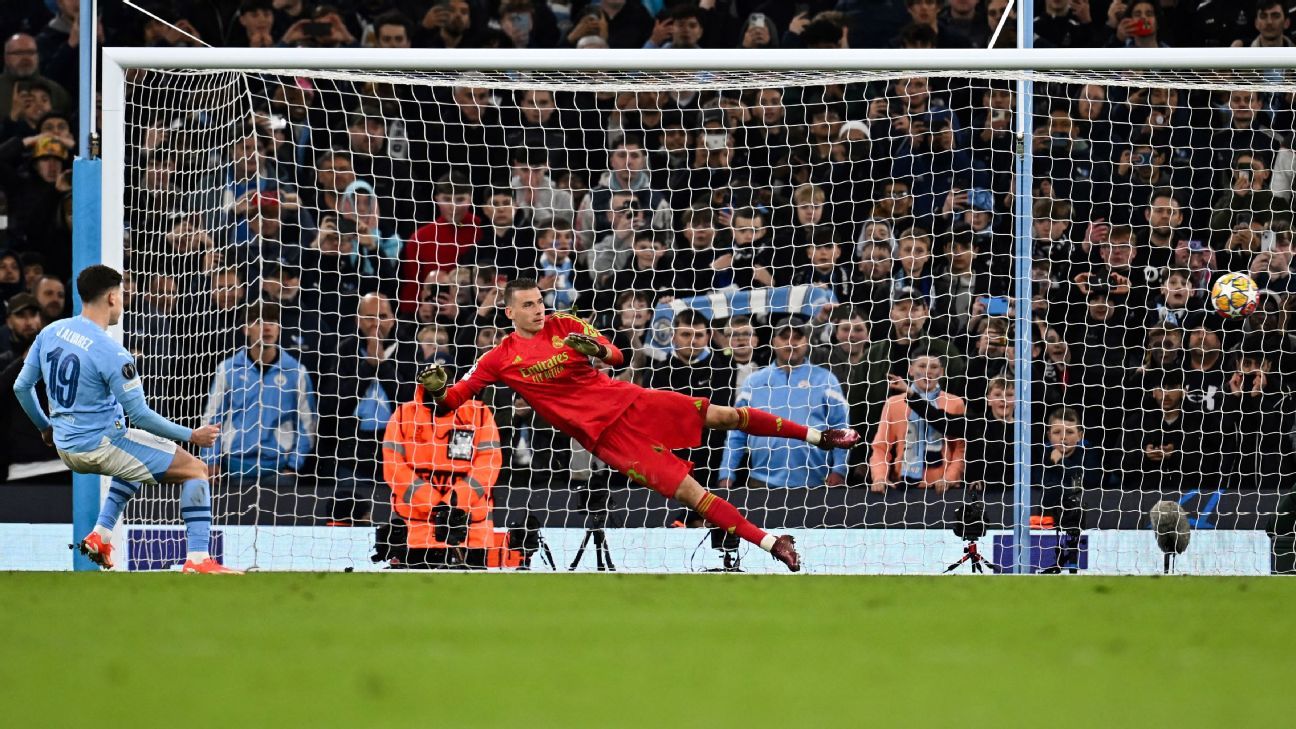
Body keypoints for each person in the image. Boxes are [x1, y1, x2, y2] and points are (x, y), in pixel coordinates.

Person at [420, 279, 863, 572]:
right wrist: (437, 390)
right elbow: (453, 401)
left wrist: (591, 347)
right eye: (529, 304)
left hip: (629, 401)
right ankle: (773, 545)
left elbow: (616, 357)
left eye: (540, 301)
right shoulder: (498, 359)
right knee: (691, 492)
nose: (539, 309)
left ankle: (819, 436)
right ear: (510, 313)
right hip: (609, 440)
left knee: (724, 415)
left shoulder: (565, 324)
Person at [11, 265, 232, 572]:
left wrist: (45, 428)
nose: (125, 302)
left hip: (65, 445)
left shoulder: (50, 332)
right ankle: (198, 559)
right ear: (113, 297)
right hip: (99, 444)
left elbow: (21, 387)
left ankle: (100, 535)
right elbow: (140, 414)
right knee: (195, 469)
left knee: (135, 452)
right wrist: (191, 435)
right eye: (124, 295)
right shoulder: (111, 352)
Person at [382, 376, 502, 568]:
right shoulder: (404, 415)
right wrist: (435, 504)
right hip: (414, 533)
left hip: (470, 532)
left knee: (472, 597)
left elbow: (488, 465)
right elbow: (393, 468)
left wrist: (452, 503)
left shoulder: (479, 413)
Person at [719, 316, 851, 490]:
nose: (791, 342)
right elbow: (736, 433)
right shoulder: (754, 382)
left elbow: (841, 426)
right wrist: (726, 473)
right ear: (774, 342)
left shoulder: (825, 379)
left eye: (797, 337)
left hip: (816, 483)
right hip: (761, 482)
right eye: (784, 337)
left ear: (807, 341)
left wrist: (839, 469)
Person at [201, 302, 317, 499]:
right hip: (235, 469)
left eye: (273, 321)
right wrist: (211, 461)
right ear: (246, 329)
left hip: (281, 471)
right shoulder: (227, 370)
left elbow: (307, 425)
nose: (267, 327)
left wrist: (294, 465)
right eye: (259, 321)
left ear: (279, 328)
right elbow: (212, 419)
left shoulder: (296, 372)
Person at [869, 351, 966, 494]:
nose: (928, 371)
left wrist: (949, 478)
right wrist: (879, 477)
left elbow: (960, 449)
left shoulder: (955, 403)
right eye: (922, 366)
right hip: (902, 487)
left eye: (933, 367)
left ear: (941, 372)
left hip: (942, 490)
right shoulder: (894, 403)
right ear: (911, 369)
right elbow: (881, 447)